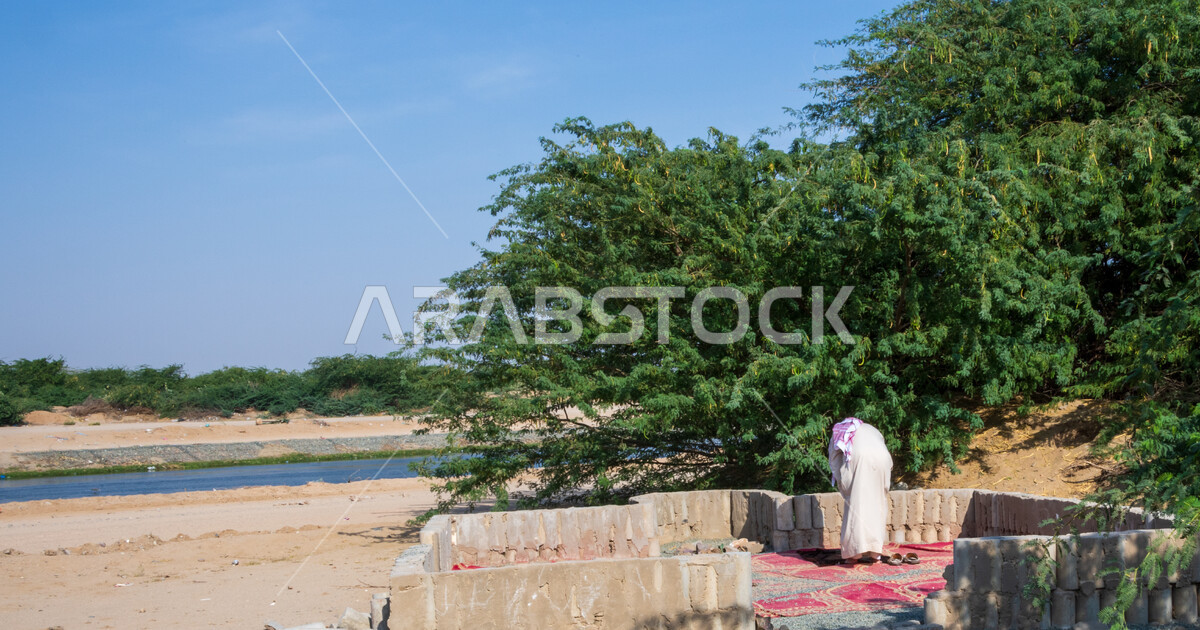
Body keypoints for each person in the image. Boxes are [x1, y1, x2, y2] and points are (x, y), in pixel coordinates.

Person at [828, 417, 893, 563]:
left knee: (855, 506)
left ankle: (853, 555)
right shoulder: (871, 429)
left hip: (860, 461)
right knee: (878, 505)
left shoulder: (838, 433)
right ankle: (875, 554)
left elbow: (834, 460)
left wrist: (843, 484)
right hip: (884, 461)